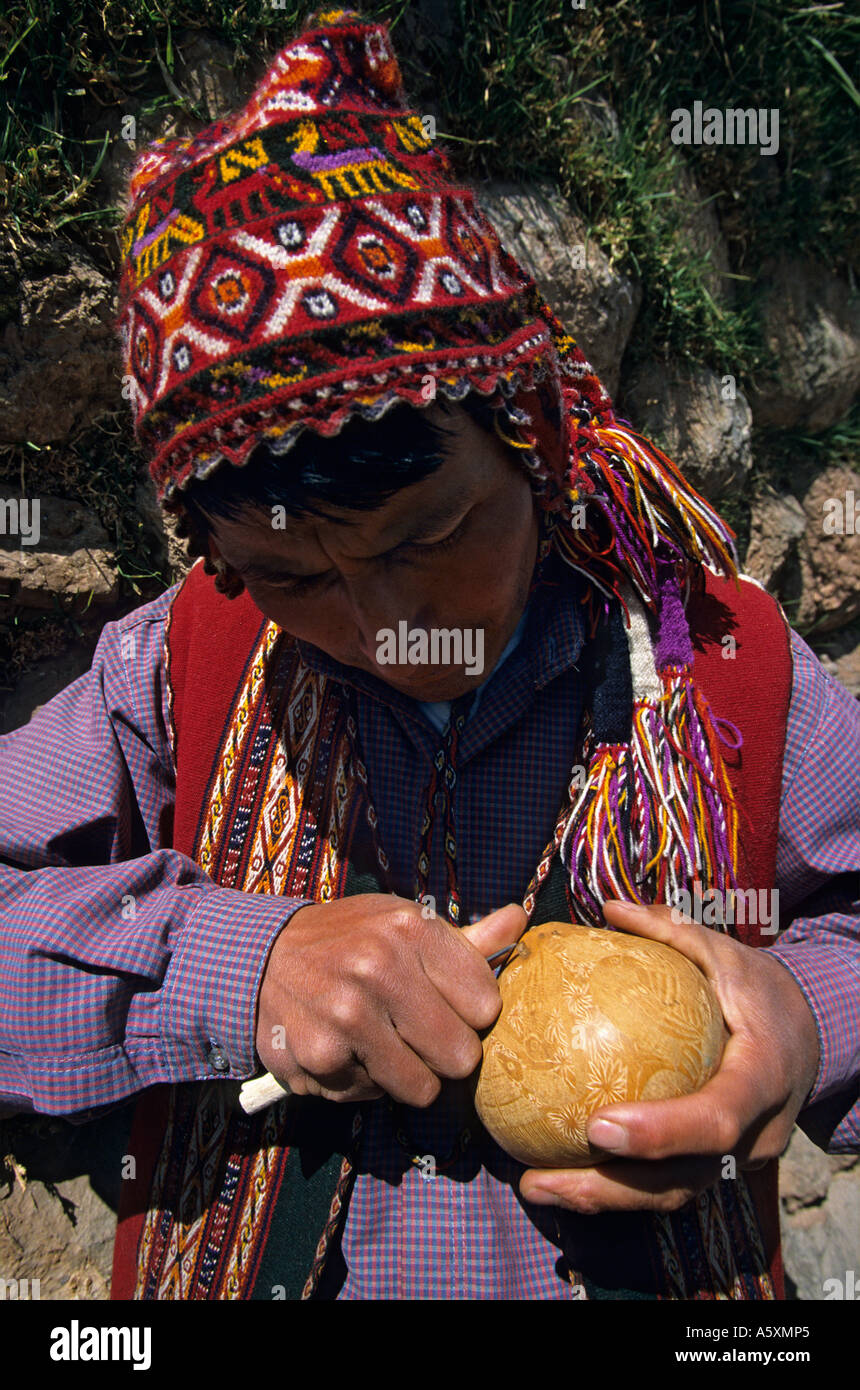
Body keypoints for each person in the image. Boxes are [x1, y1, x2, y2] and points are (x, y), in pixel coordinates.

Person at [1, 7, 858, 1301]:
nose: (377, 620)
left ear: (535, 435)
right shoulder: (174, 670)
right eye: (293, 575)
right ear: (222, 553)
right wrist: (242, 961)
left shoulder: (732, 665)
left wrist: (804, 1021)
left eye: (434, 534)